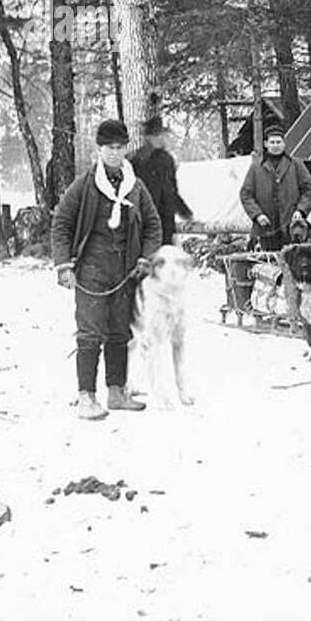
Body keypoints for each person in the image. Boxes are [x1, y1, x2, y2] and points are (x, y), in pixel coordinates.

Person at [51, 119, 162, 420]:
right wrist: (64, 266)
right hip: (91, 270)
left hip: (125, 271)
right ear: (99, 149)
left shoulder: (135, 187)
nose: (115, 153)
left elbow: (153, 225)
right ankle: (86, 397)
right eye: (109, 148)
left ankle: (116, 392)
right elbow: (61, 224)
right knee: (90, 332)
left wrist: (146, 257)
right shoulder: (84, 185)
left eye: (120, 147)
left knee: (118, 332)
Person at [239, 123, 311, 252]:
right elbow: (246, 194)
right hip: (265, 230)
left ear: (284, 143)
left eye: (278, 142)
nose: (276, 146)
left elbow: (309, 190)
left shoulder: (296, 165)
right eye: (272, 142)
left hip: (292, 229)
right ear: (266, 144)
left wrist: (301, 211)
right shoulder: (256, 167)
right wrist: (258, 215)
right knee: (268, 266)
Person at [131, 116, 193, 246]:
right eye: (155, 134)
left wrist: (185, 213)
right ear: (147, 137)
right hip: (142, 223)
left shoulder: (166, 160)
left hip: (165, 222)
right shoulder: (135, 161)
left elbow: (171, 192)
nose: (160, 138)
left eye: (161, 134)